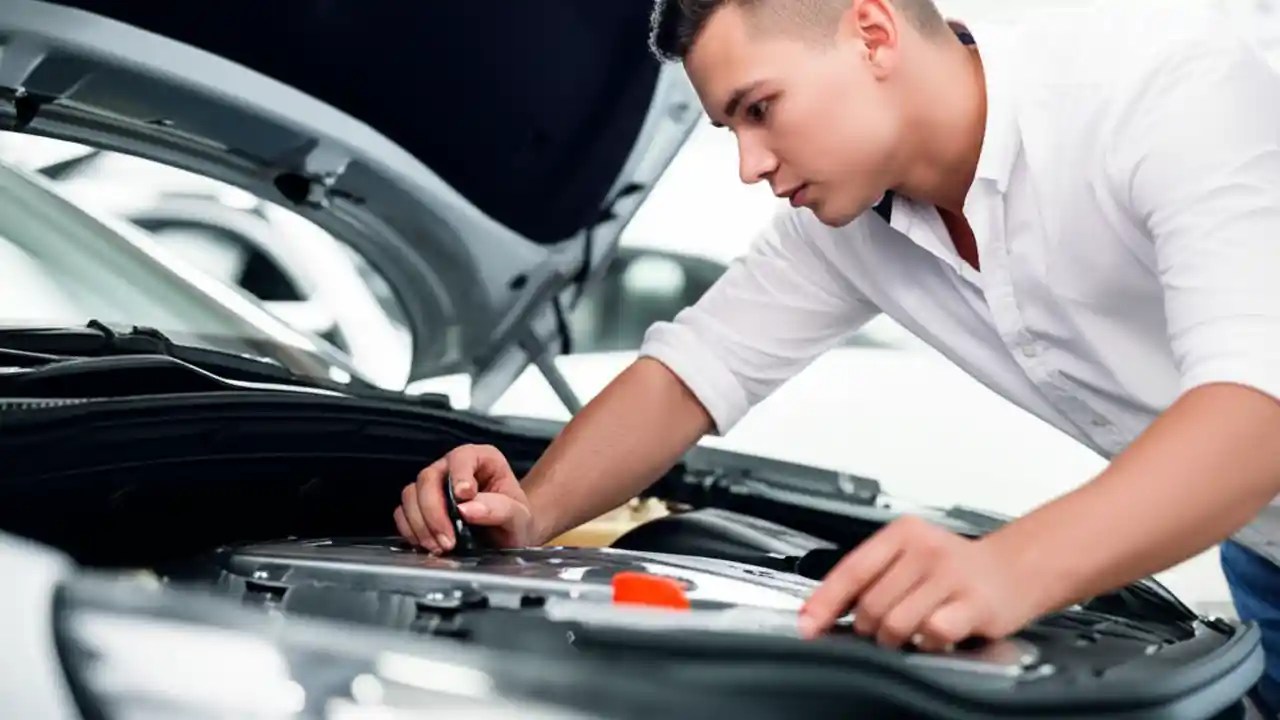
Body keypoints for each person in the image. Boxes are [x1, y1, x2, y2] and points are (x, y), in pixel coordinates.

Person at [394, 0, 1280, 710]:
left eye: (759, 108)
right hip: (1259, 552)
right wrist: (531, 508)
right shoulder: (849, 225)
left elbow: (1255, 418)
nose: (748, 163)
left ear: (872, 32)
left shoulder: (1166, 86)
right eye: (728, 129)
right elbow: (694, 368)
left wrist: (1007, 569)